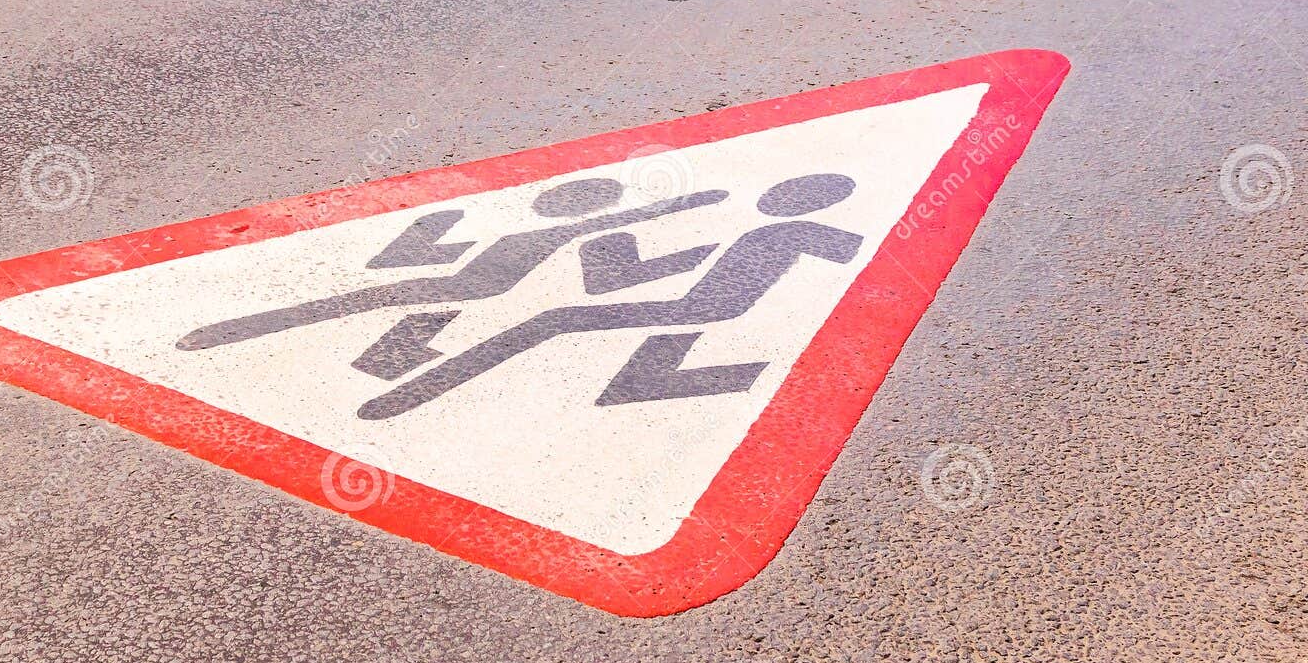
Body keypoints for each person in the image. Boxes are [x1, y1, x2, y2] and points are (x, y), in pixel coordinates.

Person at [356, 173, 863, 419]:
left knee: (549, 320)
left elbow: (853, 253)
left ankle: (399, 394)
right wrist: (668, 258)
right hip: (695, 301)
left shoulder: (789, 233)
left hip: (705, 307)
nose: (776, 200)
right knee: (548, 319)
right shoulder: (775, 233)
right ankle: (396, 380)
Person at [176, 177, 728, 352]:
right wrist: (688, 210)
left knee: (400, 297)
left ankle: (239, 330)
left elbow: (602, 259)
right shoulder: (571, 225)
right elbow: (601, 253)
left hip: (490, 275)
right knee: (437, 302)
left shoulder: (554, 225)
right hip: (491, 279)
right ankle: (239, 330)